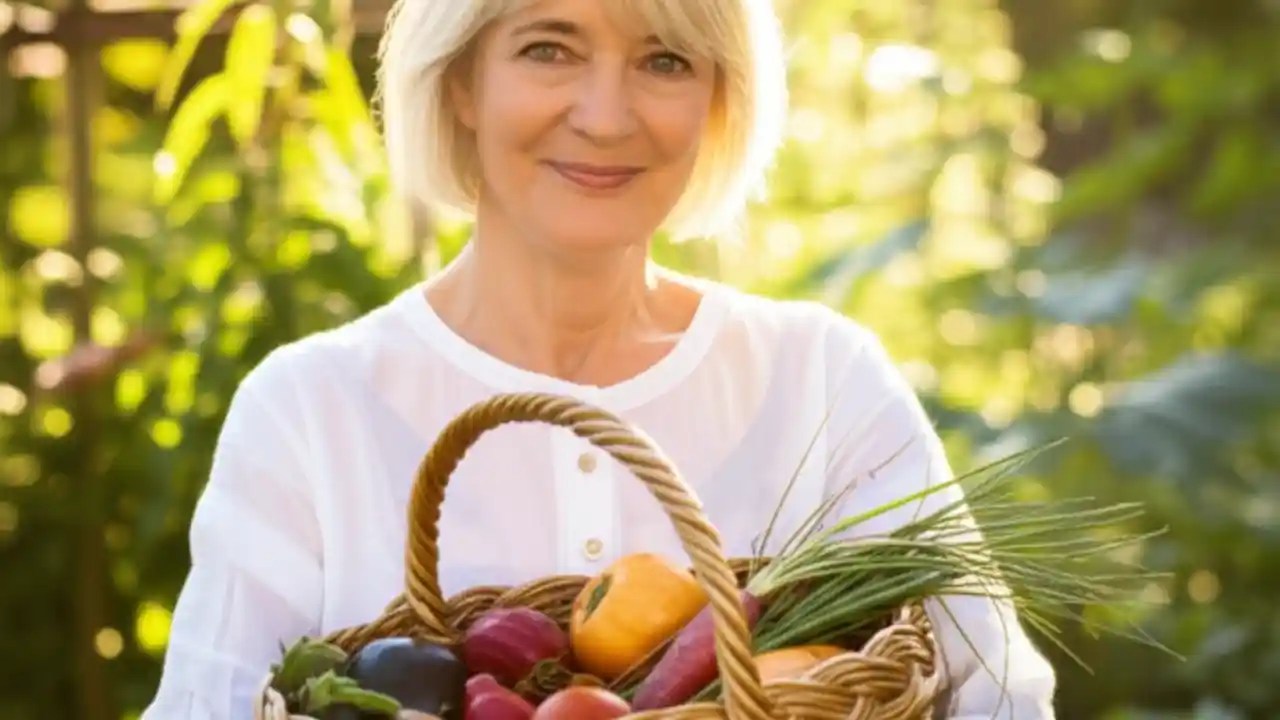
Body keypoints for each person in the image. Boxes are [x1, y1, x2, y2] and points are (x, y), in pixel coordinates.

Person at [143, 0, 1057, 718]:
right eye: (549, 48)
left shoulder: (823, 380)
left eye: (666, 61)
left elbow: (997, 699)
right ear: (461, 84)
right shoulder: (309, 408)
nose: (607, 116)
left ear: (718, 99)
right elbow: (206, 705)